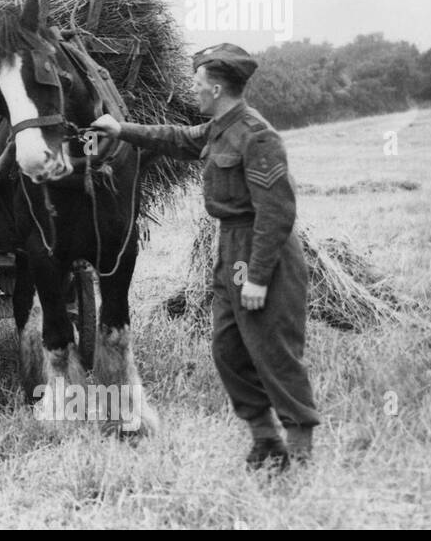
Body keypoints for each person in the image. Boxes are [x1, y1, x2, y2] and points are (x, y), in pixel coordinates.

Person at [90, 44, 319, 470]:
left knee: (274, 351)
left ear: (215, 87)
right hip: (229, 248)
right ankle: (265, 439)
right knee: (228, 351)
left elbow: (276, 212)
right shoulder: (218, 127)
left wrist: (258, 277)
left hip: (260, 251)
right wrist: (121, 130)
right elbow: (176, 138)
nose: (193, 91)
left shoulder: (257, 135)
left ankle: (300, 449)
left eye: (196, 85)